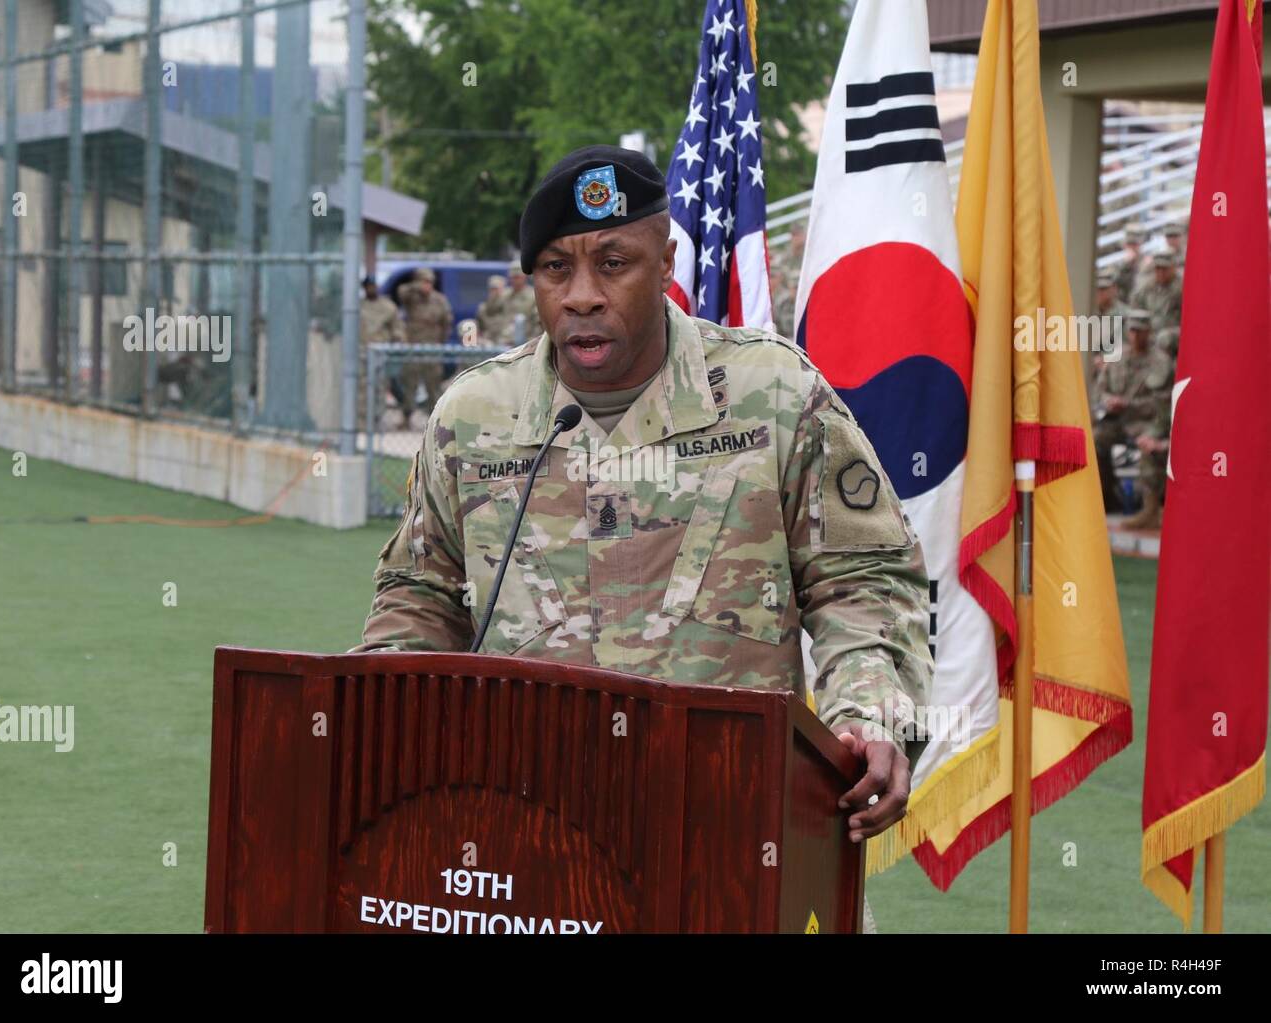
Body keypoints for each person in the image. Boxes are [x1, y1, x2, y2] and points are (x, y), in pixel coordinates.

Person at [353, 144, 934, 855]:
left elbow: (864, 580)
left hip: (730, 827)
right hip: (532, 833)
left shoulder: (772, 397)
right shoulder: (472, 418)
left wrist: (869, 712)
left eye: (614, 262)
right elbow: (421, 595)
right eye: (555, 268)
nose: (582, 294)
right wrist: (370, 721)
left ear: (665, 266)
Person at [1093, 311, 1173, 526]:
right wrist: (1109, 400)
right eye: (1132, 330)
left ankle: (1150, 510)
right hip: (1118, 420)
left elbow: (1162, 403)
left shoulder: (1161, 362)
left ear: (1149, 332)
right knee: (1095, 439)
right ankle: (1106, 498)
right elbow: (1100, 390)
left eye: (1140, 331)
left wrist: (1128, 404)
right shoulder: (1117, 357)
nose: (1136, 336)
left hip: (1147, 422)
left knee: (1149, 445)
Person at [395, 266, 453, 424]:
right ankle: (406, 417)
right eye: (424, 281)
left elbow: (446, 322)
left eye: (429, 282)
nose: (427, 285)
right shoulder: (412, 297)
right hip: (413, 347)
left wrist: (440, 342)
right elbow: (401, 292)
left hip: (432, 348)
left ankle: (434, 421)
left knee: (433, 385)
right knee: (409, 384)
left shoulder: (439, 300)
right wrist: (416, 286)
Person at [359, 275, 404, 431]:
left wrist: (397, 343)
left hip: (381, 353)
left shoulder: (388, 307)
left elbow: (397, 328)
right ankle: (363, 421)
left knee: (380, 387)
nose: (371, 289)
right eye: (367, 286)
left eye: (373, 286)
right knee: (362, 388)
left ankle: (377, 419)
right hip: (363, 352)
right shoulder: (359, 307)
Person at [1130, 250, 1183, 333]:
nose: (1161, 272)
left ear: (1173, 268)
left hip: (1172, 336)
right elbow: (1136, 308)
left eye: (1165, 269)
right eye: (1158, 268)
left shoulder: (1181, 288)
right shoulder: (1147, 287)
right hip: (1148, 333)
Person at [503, 260, 542, 344]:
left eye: (517, 277)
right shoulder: (505, 296)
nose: (515, 280)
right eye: (512, 277)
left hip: (525, 341)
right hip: (503, 341)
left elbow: (538, 322)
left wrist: (533, 341)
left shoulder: (532, 296)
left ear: (524, 277)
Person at [1115, 223, 1146, 299]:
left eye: (1135, 244)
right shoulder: (1119, 264)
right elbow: (1116, 284)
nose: (1132, 247)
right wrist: (1126, 265)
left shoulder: (1147, 263)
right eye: (1129, 244)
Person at [476, 274, 510, 344]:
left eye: (496, 289)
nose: (494, 291)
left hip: (505, 339)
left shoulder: (509, 304)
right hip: (488, 339)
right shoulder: (484, 307)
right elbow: (480, 326)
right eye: (492, 288)